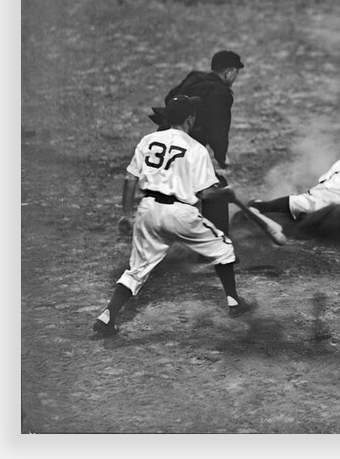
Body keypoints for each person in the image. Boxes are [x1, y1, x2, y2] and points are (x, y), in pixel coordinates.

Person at [93, 95, 255, 337]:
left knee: (136, 271)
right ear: (190, 119)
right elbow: (205, 193)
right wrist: (226, 192)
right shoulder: (195, 148)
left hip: (147, 211)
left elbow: (130, 179)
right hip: (179, 213)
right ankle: (233, 301)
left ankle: (107, 316)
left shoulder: (148, 140)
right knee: (224, 248)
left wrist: (128, 214)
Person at [149, 50, 244, 234]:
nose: (235, 77)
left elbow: (170, 99)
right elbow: (219, 130)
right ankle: (215, 241)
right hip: (187, 148)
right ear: (228, 72)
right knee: (215, 186)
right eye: (236, 73)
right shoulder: (222, 93)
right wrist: (221, 157)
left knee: (172, 186)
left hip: (164, 140)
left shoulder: (194, 78)